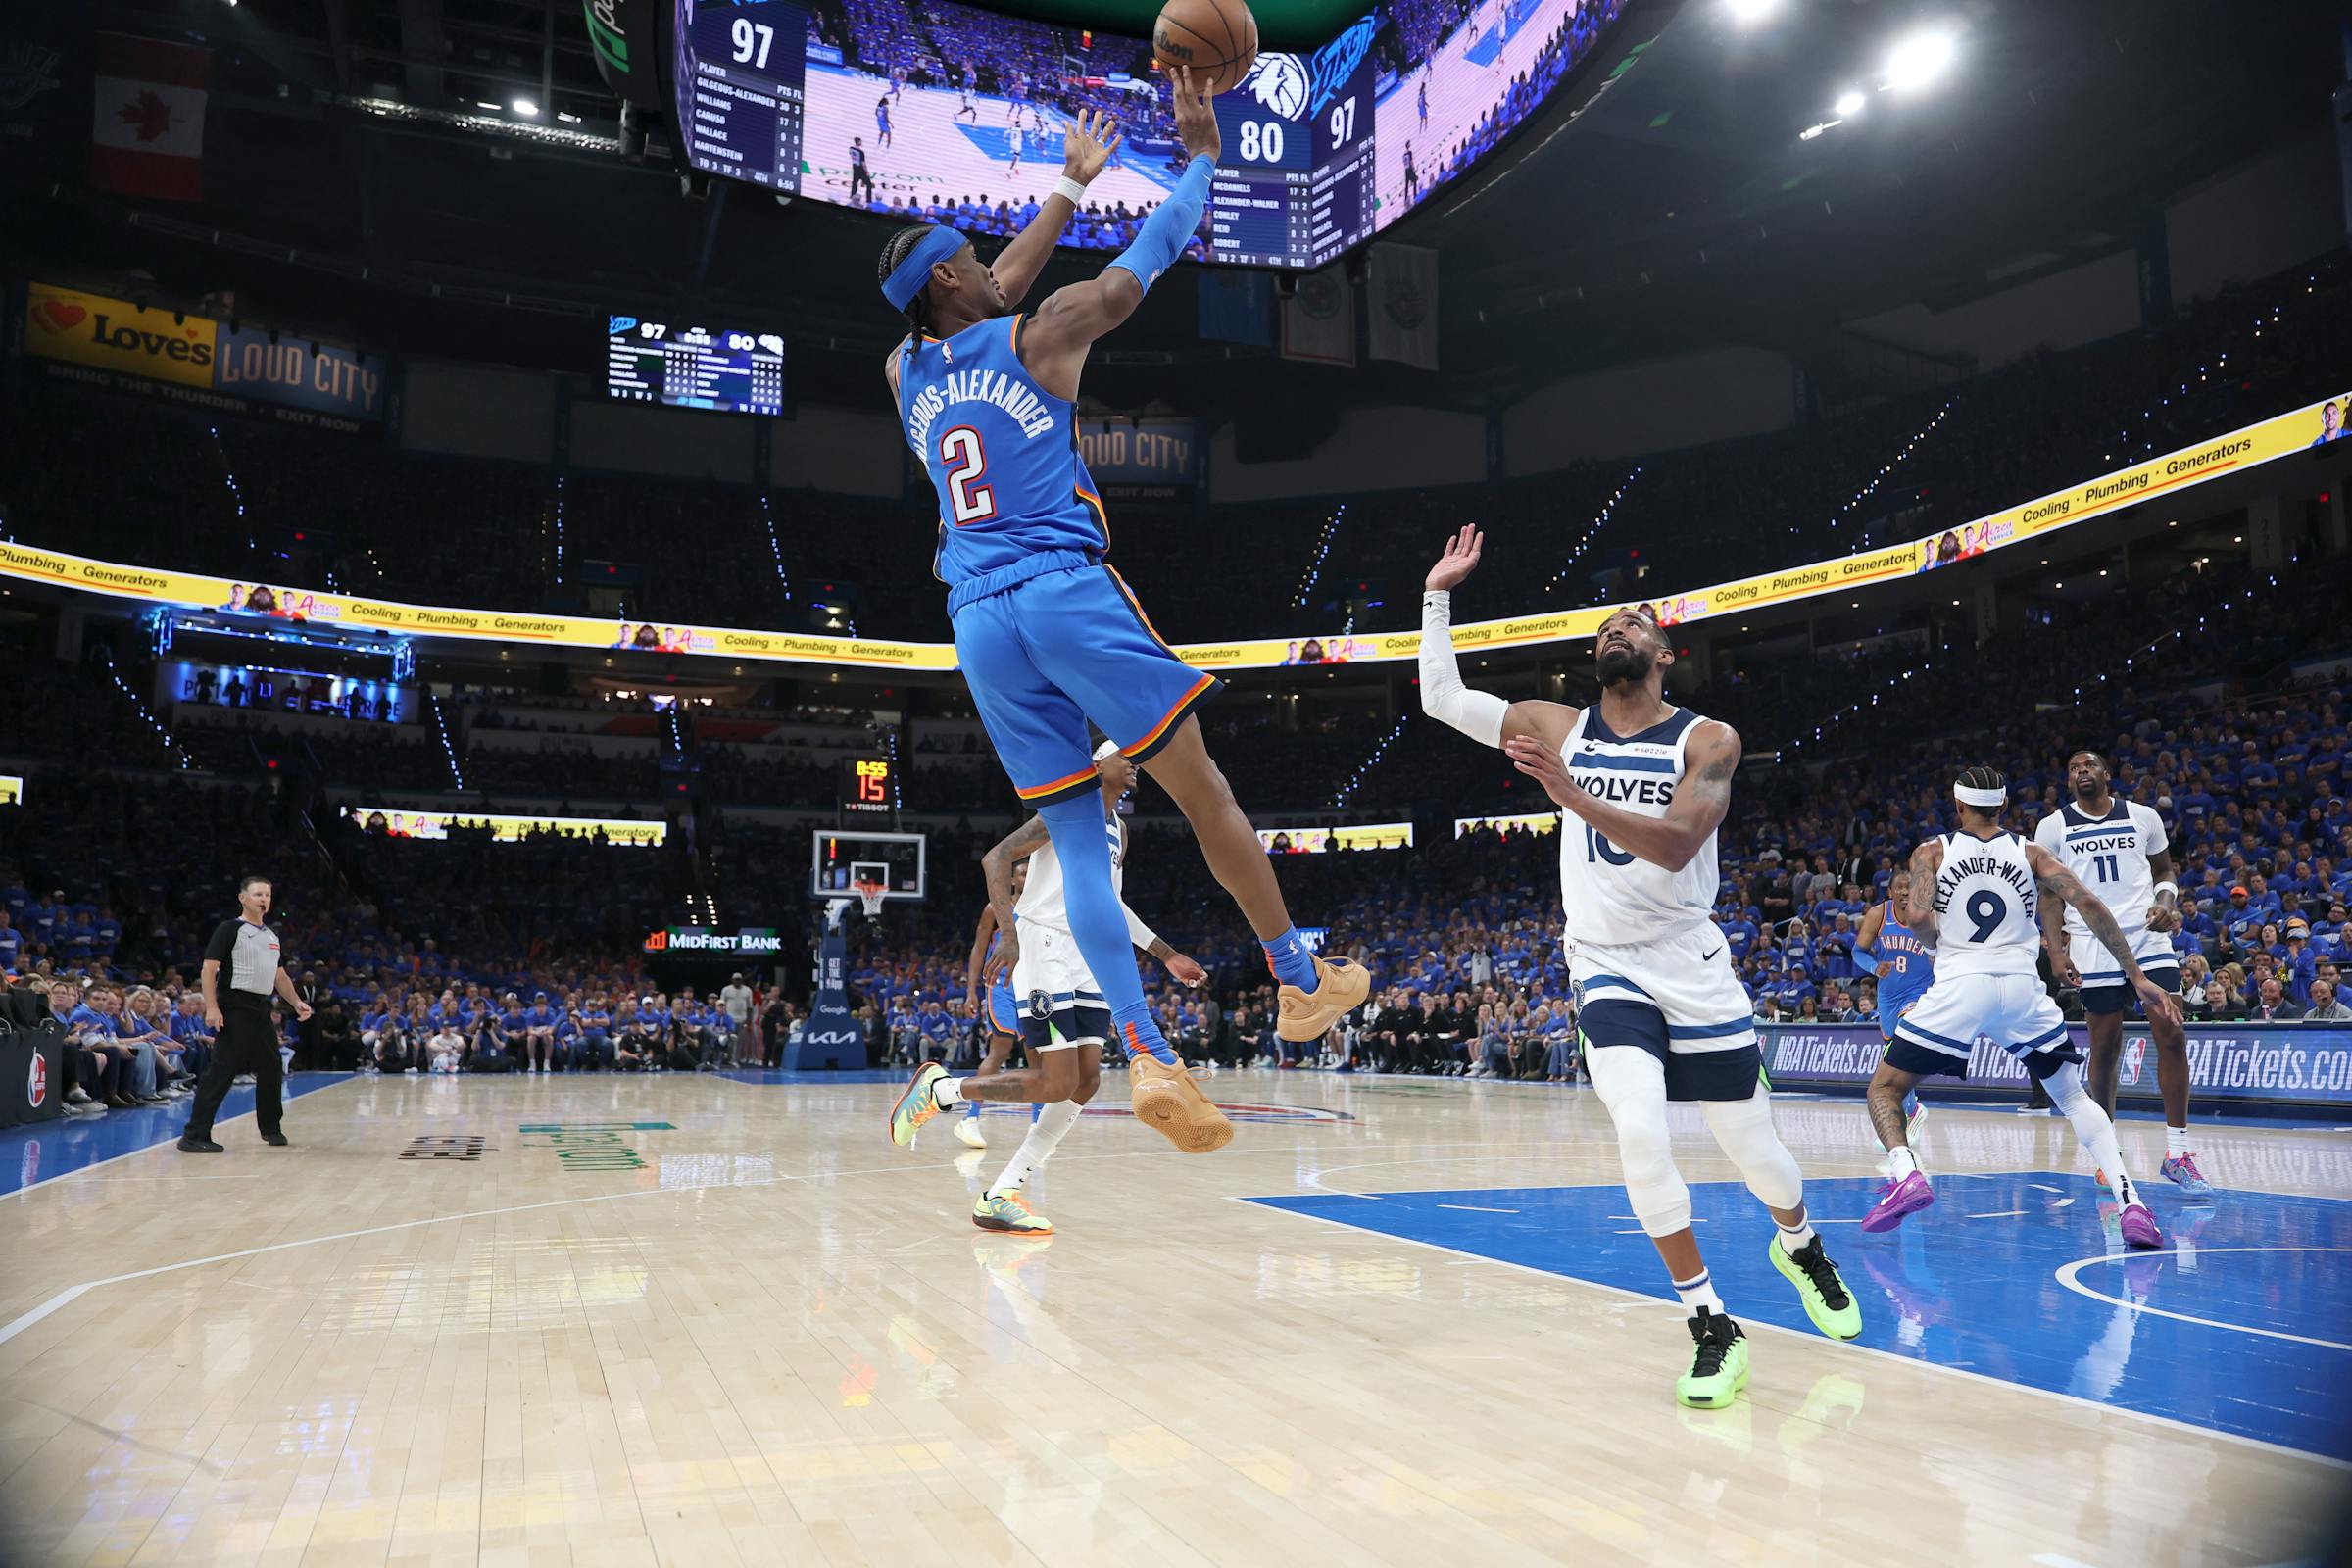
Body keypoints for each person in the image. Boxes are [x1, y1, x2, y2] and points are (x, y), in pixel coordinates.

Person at [874, 83, 1365, 1152]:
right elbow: (1146, 258)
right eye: (973, 255)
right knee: (1199, 787)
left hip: (978, 621)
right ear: (957, 276)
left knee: (1075, 842)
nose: (994, 264)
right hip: (1061, 589)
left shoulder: (904, 367)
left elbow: (990, 282)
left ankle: (1148, 1054)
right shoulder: (1045, 335)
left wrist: (1064, 185)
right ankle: (1298, 978)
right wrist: (1198, 157)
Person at [1417, 526, 1860, 1408]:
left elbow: (1676, 844)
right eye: (1609, 624)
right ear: (1598, 656)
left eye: (1637, 622)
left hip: (1691, 963)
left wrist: (1569, 795)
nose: (1620, 627)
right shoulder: (1556, 724)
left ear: (1665, 653)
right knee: (1641, 1133)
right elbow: (1439, 698)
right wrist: (1438, 596)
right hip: (1605, 964)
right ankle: (1710, 1321)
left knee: (1759, 1155)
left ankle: (1801, 1244)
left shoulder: (1710, 741)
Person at [896, 744, 1208, 1236]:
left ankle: (1001, 1194)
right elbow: (995, 858)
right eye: (1122, 756)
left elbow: (1109, 903)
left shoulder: (1119, 831)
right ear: (1096, 765)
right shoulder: (1063, 811)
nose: (1134, 763)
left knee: (1085, 1082)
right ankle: (942, 1090)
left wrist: (1165, 953)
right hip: (1043, 946)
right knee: (1056, 1081)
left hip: (1087, 954)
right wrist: (1010, 931)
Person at [1862, 768, 2180, 1249]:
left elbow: (1922, 919)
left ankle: (1907, 1174)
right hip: (2022, 988)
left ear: (1958, 805)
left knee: (1885, 1089)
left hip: (1962, 985)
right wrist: (2136, 975)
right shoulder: (2031, 852)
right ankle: (2131, 1202)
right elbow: (2089, 904)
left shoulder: (1932, 851)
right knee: (2073, 1098)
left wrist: (1933, 940)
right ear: (2003, 805)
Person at [2034, 749, 2212, 1196]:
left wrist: (2166, 902)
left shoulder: (2144, 816)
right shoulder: (2053, 827)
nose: (2082, 772)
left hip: (2146, 936)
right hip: (2092, 944)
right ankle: (2108, 1153)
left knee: (2172, 1033)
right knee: (2106, 1047)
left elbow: (2164, 870)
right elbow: (2051, 897)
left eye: (2089, 765)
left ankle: (2177, 1153)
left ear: (2107, 773)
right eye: (2073, 768)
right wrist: (2056, 953)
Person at [178, 875, 312, 1154]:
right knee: (222, 1070)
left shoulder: (271, 936)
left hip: (260, 1007)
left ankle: (271, 1128)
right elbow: (208, 969)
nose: (264, 899)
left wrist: (297, 1002)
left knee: (272, 1066)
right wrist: (212, 1007)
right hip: (234, 1005)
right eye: (258, 894)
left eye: (268, 895)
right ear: (243, 898)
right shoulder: (230, 929)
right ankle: (194, 1135)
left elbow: (280, 976)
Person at [1852, 871, 1933, 1173]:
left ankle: (1908, 1113)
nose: (1904, 892)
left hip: (1920, 991)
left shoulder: (1930, 914)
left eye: (1909, 887)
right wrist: (1874, 966)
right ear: (1891, 890)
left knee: (1902, 1041)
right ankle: (1910, 1110)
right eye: (1899, 887)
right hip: (1888, 995)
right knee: (1893, 1052)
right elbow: (1858, 951)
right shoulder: (1878, 914)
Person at [956, 859, 1031, 1150]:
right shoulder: (995, 909)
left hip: (1032, 986)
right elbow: (978, 948)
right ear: (1013, 880)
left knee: (1037, 1055)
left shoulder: (1044, 910)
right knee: (1000, 1050)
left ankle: (1037, 1124)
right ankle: (970, 1118)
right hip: (1001, 986)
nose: (1028, 877)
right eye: (1023, 873)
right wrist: (970, 991)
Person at [848, 136, 874, 204]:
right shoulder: (861, 152)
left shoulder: (851, 149)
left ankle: (852, 195)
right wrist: (867, 171)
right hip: (861, 169)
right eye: (861, 141)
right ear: (858, 142)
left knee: (855, 182)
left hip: (854, 167)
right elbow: (863, 163)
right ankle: (869, 199)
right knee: (869, 184)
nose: (861, 142)